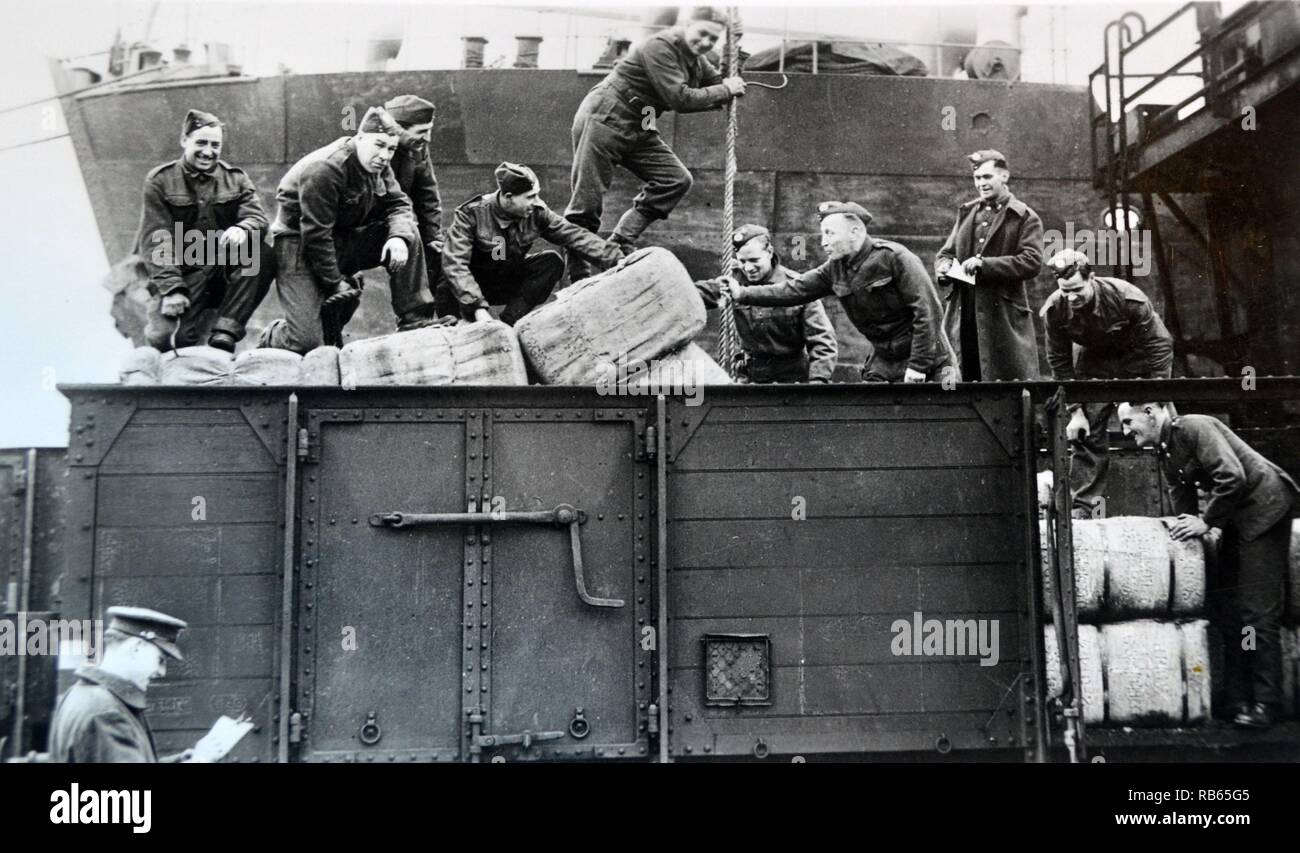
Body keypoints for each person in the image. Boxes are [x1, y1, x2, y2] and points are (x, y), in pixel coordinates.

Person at [1118, 402, 1298, 728]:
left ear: (1150, 411)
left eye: (1128, 422)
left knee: (1257, 610)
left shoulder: (1193, 427)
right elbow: (1181, 503)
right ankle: (1237, 697)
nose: (1125, 431)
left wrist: (1206, 521)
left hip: (1266, 507)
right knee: (1228, 609)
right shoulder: (1166, 450)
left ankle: (1266, 704)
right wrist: (1178, 532)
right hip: (1236, 519)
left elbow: (1232, 476)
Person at [563, 6, 746, 280]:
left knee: (675, 179)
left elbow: (721, 89)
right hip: (606, 115)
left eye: (713, 39)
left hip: (639, 123)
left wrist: (735, 49)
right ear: (686, 24)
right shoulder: (660, 46)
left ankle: (620, 241)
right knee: (586, 203)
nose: (706, 43)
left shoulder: (695, 59)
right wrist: (725, 89)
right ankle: (578, 276)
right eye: (703, 34)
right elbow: (680, 98)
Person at [260, 106, 441, 353]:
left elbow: (398, 204)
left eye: (391, 148)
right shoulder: (326, 168)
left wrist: (397, 237)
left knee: (408, 232)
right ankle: (274, 334)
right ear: (360, 138)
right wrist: (335, 283)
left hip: (339, 240)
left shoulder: (379, 163)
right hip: (298, 247)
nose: (385, 155)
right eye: (379, 145)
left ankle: (415, 319)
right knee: (306, 343)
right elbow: (315, 235)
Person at [724, 202, 955, 383]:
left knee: (951, 410)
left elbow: (929, 313)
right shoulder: (835, 268)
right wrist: (742, 293)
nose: (823, 242)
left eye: (830, 234)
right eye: (822, 235)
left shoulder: (894, 257)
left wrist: (918, 367)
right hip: (886, 361)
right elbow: (793, 290)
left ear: (854, 232)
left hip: (932, 360)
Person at [1043, 249, 1174, 515]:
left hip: (1137, 359)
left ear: (1091, 277)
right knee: (1084, 432)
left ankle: (1178, 501)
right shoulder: (1055, 309)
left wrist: (1157, 396)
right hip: (1094, 363)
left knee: (1164, 426)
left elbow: (1159, 346)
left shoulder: (1128, 299)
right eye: (1065, 290)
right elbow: (1059, 362)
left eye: (1077, 289)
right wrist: (1075, 411)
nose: (1071, 297)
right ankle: (1083, 508)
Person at [135, 109, 272, 352]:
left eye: (215, 145)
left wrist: (243, 228)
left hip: (223, 269)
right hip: (185, 273)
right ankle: (189, 314)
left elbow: (258, 219)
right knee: (167, 341)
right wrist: (172, 289)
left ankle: (225, 332)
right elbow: (157, 239)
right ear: (184, 140)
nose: (208, 152)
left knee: (261, 253)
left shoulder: (236, 179)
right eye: (201, 143)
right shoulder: (159, 181)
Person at [441, 162, 623, 325]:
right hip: (471, 289)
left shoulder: (537, 213)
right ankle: (453, 321)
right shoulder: (471, 214)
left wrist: (617, 260)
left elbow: (575, 236)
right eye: (530, 197)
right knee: (443, 264)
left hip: (505, 279)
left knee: (551, 262)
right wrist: (477, 308)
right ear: (509, 197)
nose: (536, 202)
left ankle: (509, 323)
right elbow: (455, 264)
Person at [935, 149, 1042, 380]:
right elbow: (946, 253)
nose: (981, 183)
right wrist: (944, 268)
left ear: (1004, 176)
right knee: (960, 376)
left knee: (1006, 382)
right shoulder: (967, 213)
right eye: (977, 178)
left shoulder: (1022, 216)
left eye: (987, 177)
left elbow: (1032, 261)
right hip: (964, 313)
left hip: (1001, 317)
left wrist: (985, 265)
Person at [48, 607, 194, 762]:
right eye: (160, 659)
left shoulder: (77, 694)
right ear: (136, 648)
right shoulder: (106, 714)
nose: (161, 672)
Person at [695, 224, 837, 382]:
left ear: (769, 252)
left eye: (754, 260)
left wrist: (818, 381)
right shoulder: (733, 283)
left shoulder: (796, 287)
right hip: (749, 377)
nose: (748, 268)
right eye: (742, 261)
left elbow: (822, 341)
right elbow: (692, 296)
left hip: (793, 379)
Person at [383, 94, 445, 302]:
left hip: (395, 218)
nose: (428, 138)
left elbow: (427, 194)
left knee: (434, 249)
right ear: (398, 128)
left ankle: (418, 318)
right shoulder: (374, 147)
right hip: (359, 223)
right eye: (422, 131)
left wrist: (433, 236)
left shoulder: (417, 148)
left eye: (429, 130)